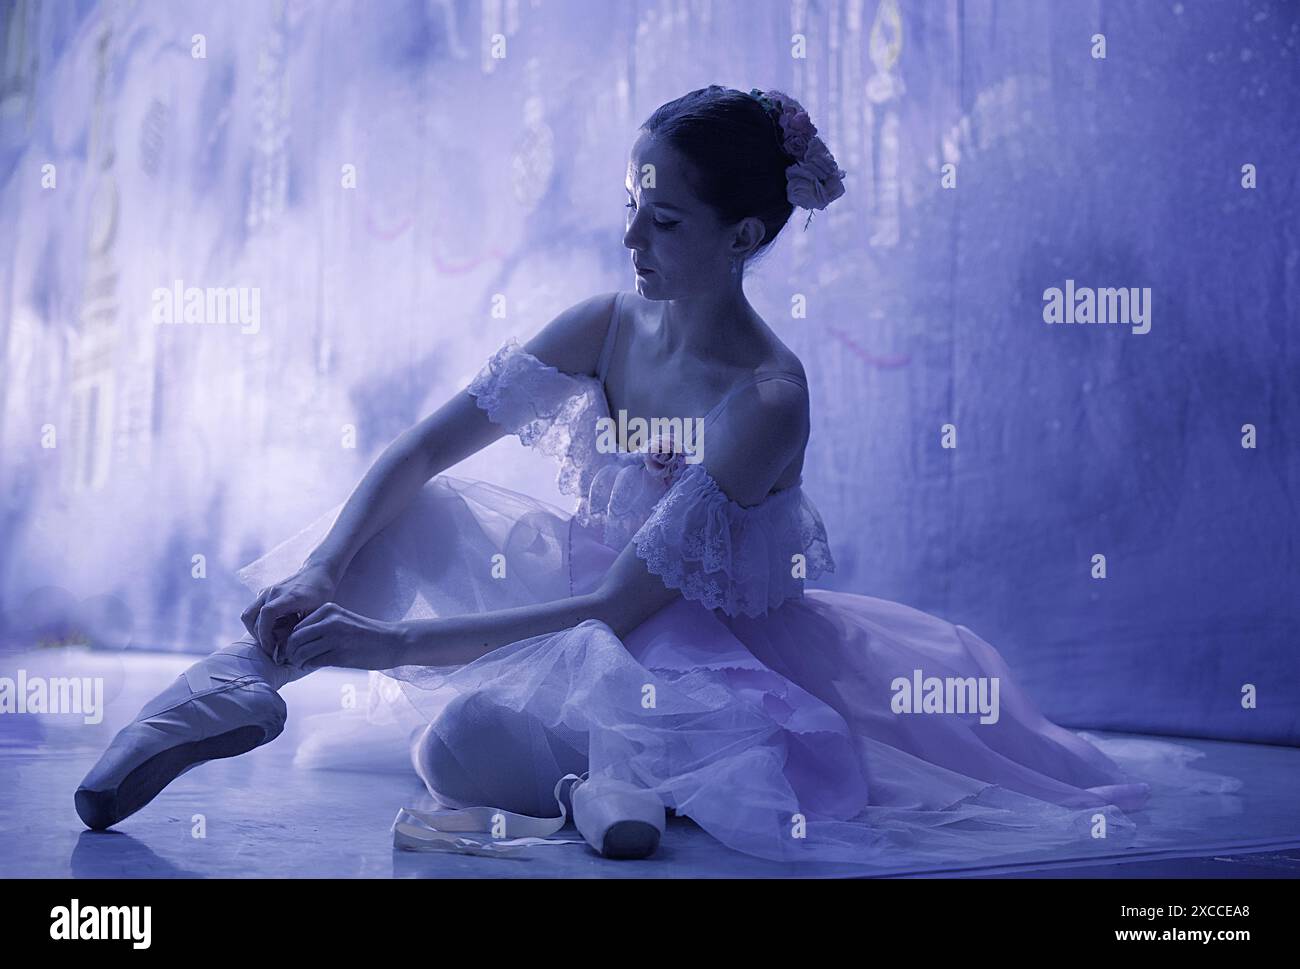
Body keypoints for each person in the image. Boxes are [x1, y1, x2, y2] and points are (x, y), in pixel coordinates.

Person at [74, 86, 1237, 867]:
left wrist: (381, 648)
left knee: (459, 740)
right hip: (575, 591)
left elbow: (619, 612)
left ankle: (602, 784)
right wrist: (326, 571)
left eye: (664, 221)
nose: (632, 243)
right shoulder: (608, 323)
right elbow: (424, 446)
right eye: (631, 207)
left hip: (689, 644)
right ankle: (231, 683)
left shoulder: (765, 398)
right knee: (410, 513)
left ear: (741, 237)